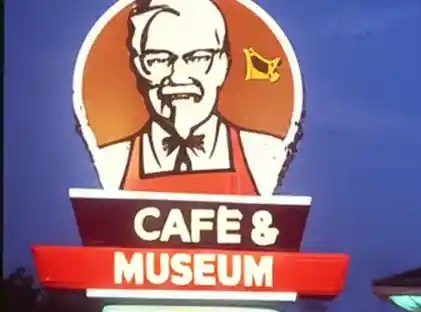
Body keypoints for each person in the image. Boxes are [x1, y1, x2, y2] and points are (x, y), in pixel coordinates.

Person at [94, 0, 288, 195]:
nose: (178, 77)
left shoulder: (264, 155)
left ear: (223, 65)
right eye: (159, 59)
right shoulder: (112, 162)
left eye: (198, 58)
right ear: (137, 67)